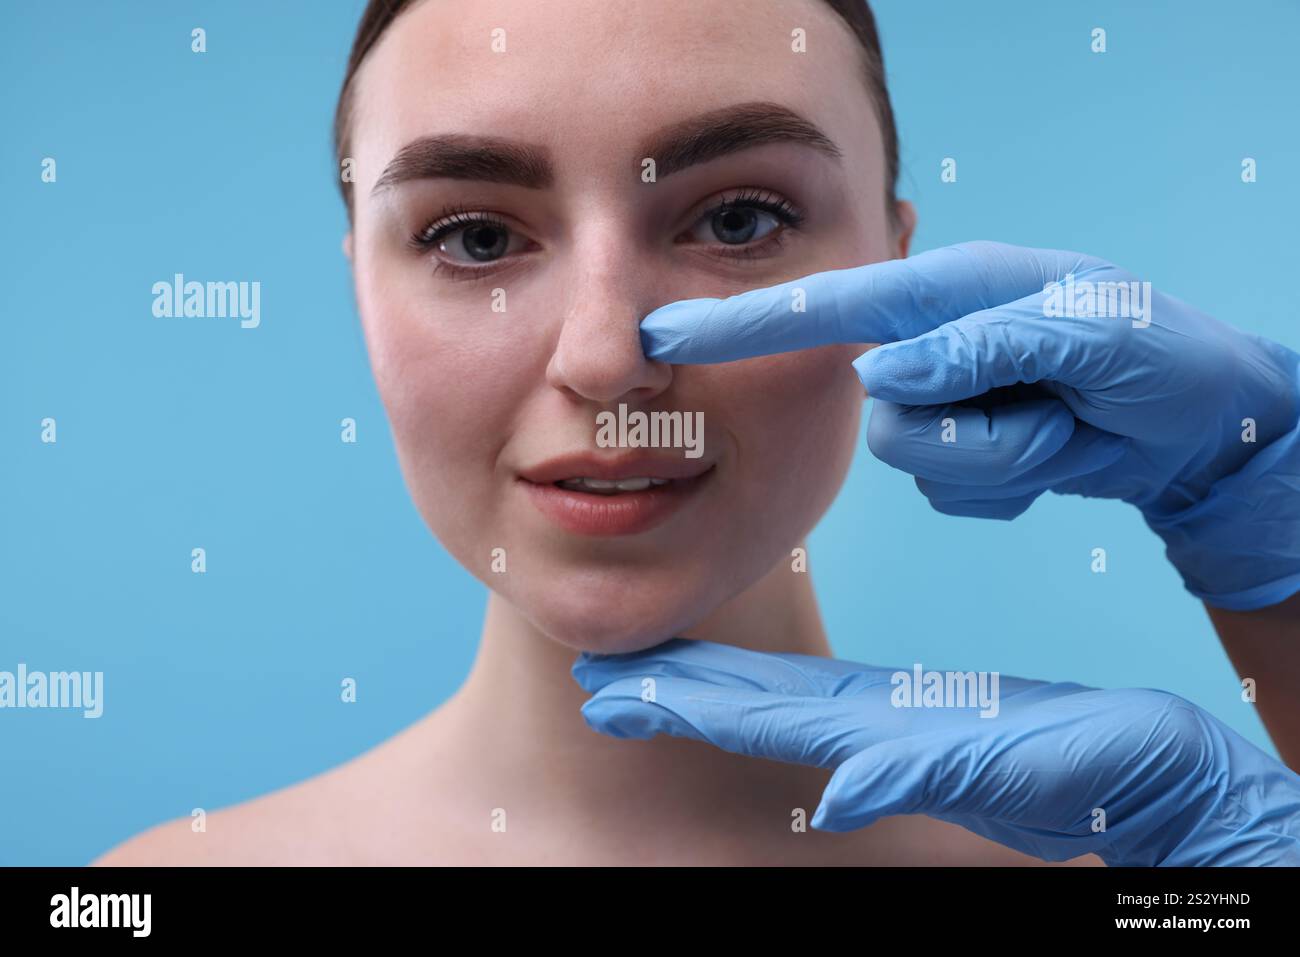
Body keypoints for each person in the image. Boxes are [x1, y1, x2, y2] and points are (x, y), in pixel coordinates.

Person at [94, 0, 1300, 866]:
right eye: (475, 238)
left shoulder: (1173, 875)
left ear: (897, 268)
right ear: (358, 284)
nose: (603, 357)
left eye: (736, 221)